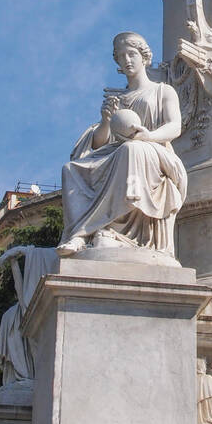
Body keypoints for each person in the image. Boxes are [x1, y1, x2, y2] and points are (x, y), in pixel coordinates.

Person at [57, 32, 188, 257]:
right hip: (118, 152)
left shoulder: (162, 91)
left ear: (144, 56)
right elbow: (100, 143)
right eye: (121, 56)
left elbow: (175, 126)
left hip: (155, 151)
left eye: (132, 54)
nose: (127, 60)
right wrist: (106, 121)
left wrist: (149, 136)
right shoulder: (118, 98)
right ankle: (80, 234)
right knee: (71, 170)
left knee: (132, 149)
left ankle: (93, 230)